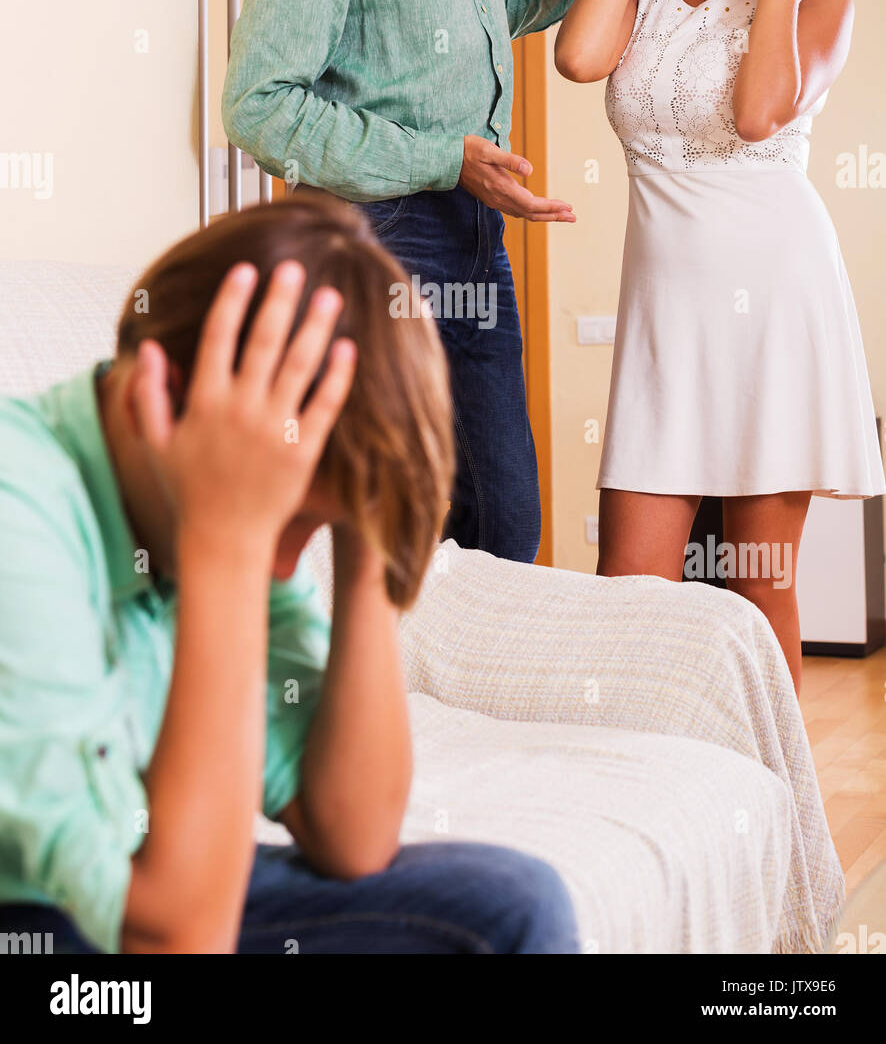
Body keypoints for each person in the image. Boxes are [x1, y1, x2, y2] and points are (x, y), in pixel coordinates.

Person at [0, 191, 579, 953]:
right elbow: (174, 942)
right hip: (43, 921)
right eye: (282, 522)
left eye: (317, 528)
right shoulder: (20, 504)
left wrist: (369, 544)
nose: (282, 568)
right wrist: (227, 546)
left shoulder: (241, 518)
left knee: (511, 907)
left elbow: (354, 836)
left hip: (150, 897)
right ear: (156, 396)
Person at [221, 0, 685, 563]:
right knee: (381, 528)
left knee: (504, 524)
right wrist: (444, 159)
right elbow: (259, 106)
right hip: (376, 237)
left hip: (468, 230)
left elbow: (483, 19)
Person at [554, 0, 886, 694]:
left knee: (756, 586)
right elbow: (577, 59)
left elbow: (758, 112)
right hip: (664, 323)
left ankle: (773, 777)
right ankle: (648, 772)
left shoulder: (820, 2)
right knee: (628, 590)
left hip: (774, 309)